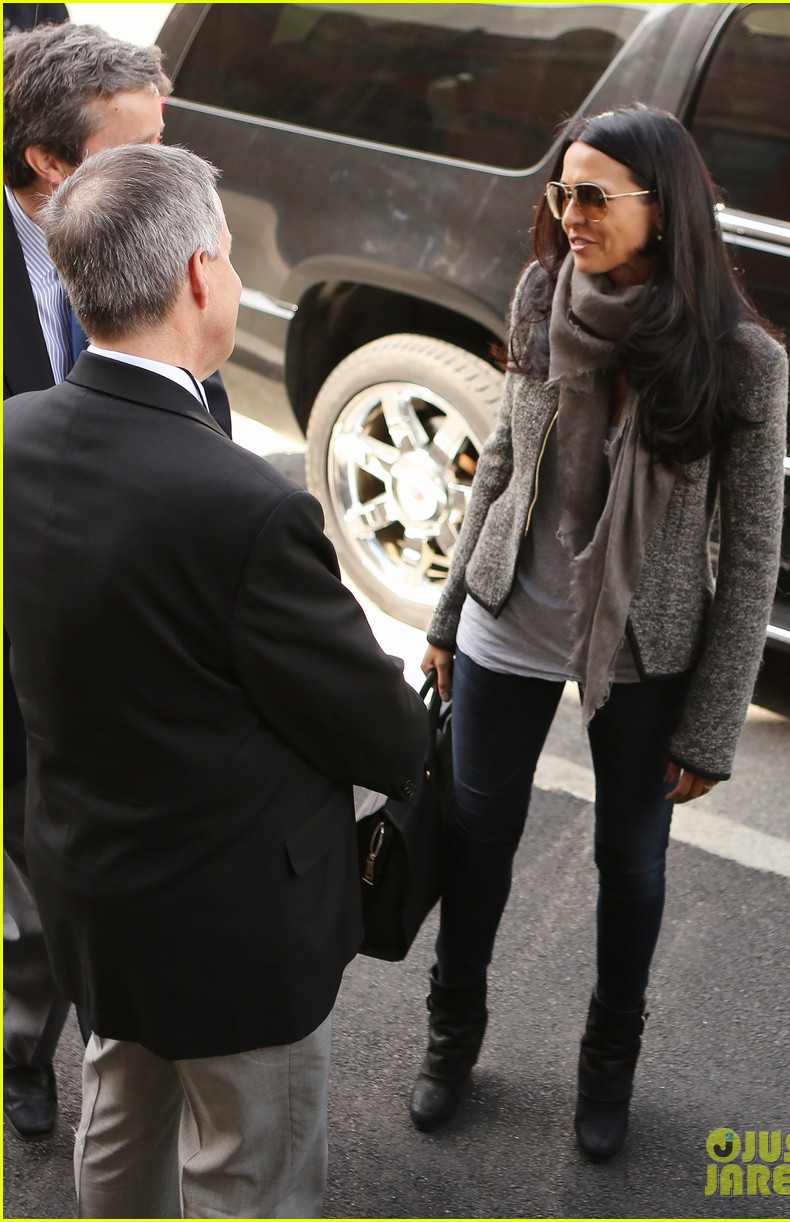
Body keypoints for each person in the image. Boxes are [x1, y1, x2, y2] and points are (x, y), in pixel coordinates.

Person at [4, 142, 429, 1218]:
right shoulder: (246, 505)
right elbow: (381, 734)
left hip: (92, 892)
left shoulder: (13, 436)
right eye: (231, 257)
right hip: (233, 927)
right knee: (250, 1172)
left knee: (121, 1120)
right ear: (200, 275)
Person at [409, 104, 788, 1161]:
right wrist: (448, 611)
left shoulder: (740, 359)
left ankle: (607, 1063)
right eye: (560, 193)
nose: (568, 214)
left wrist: (710, 725)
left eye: (592, 197)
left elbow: (750, 555)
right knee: (476, 841)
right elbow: (499, 459)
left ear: (662, 210)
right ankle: (450, 1037)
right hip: (508, 619)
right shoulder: (542, 293)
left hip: (644, 648)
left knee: (629, 863)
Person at [2, 20, 233, 1143]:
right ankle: (22, 1045)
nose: (169, 169)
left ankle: (120, 1054)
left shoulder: (169, 236)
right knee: (29, 890)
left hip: (133, 655)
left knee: (120, 882)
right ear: (50, 164)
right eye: (138, 147)